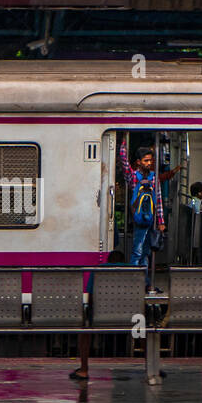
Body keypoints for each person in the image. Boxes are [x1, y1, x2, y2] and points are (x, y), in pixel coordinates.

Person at [118, 135, 165, 295]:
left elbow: (158, 200)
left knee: (144, 254)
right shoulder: (133, 177)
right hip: (140, 221)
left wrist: (161, 221)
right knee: (138, 252)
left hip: (150, 220)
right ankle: (134, 283)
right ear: (138, 162)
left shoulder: (153, 178)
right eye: (146, 161)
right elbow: (124, 164)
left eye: (150, 160)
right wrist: (124, 142)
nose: (149, 163)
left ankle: (143, 283)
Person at [71, 250, 125, 380]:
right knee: (145, 330)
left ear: (108, 261)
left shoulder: (98, 271)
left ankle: (84, 370)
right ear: (124, 262)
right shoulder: (135, 270)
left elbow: (90, 297)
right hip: (130, 318)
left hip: (100, 317)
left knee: (84, 331)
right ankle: (152, 370)